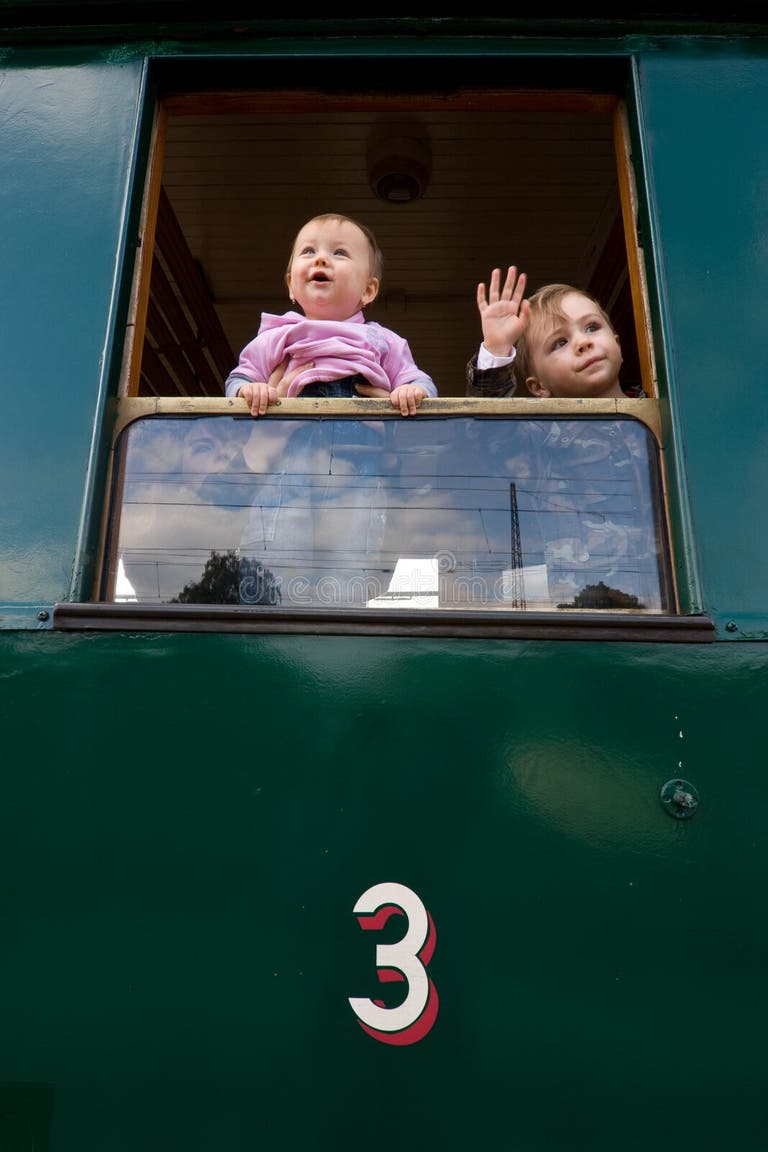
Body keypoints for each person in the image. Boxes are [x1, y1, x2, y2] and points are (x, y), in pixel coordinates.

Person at [225, 213, 436, 417]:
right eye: (309, 251)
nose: (321, 259)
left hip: (365, 444)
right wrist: (250, 390)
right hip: (298, 442)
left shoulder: (381, 339)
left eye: (340, 253)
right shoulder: (279, 334)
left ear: (368, 290)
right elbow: (239, 379)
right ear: (291, 286)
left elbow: (421, 383)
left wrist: (411, 391)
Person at [465, 266, 644, 398]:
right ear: (538, 387)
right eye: (560, 343)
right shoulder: (539, 441)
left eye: (592, 328)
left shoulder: (667, 405)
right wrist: (497, 350)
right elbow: (488, 436)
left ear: (618, 345)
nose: (583, 342)